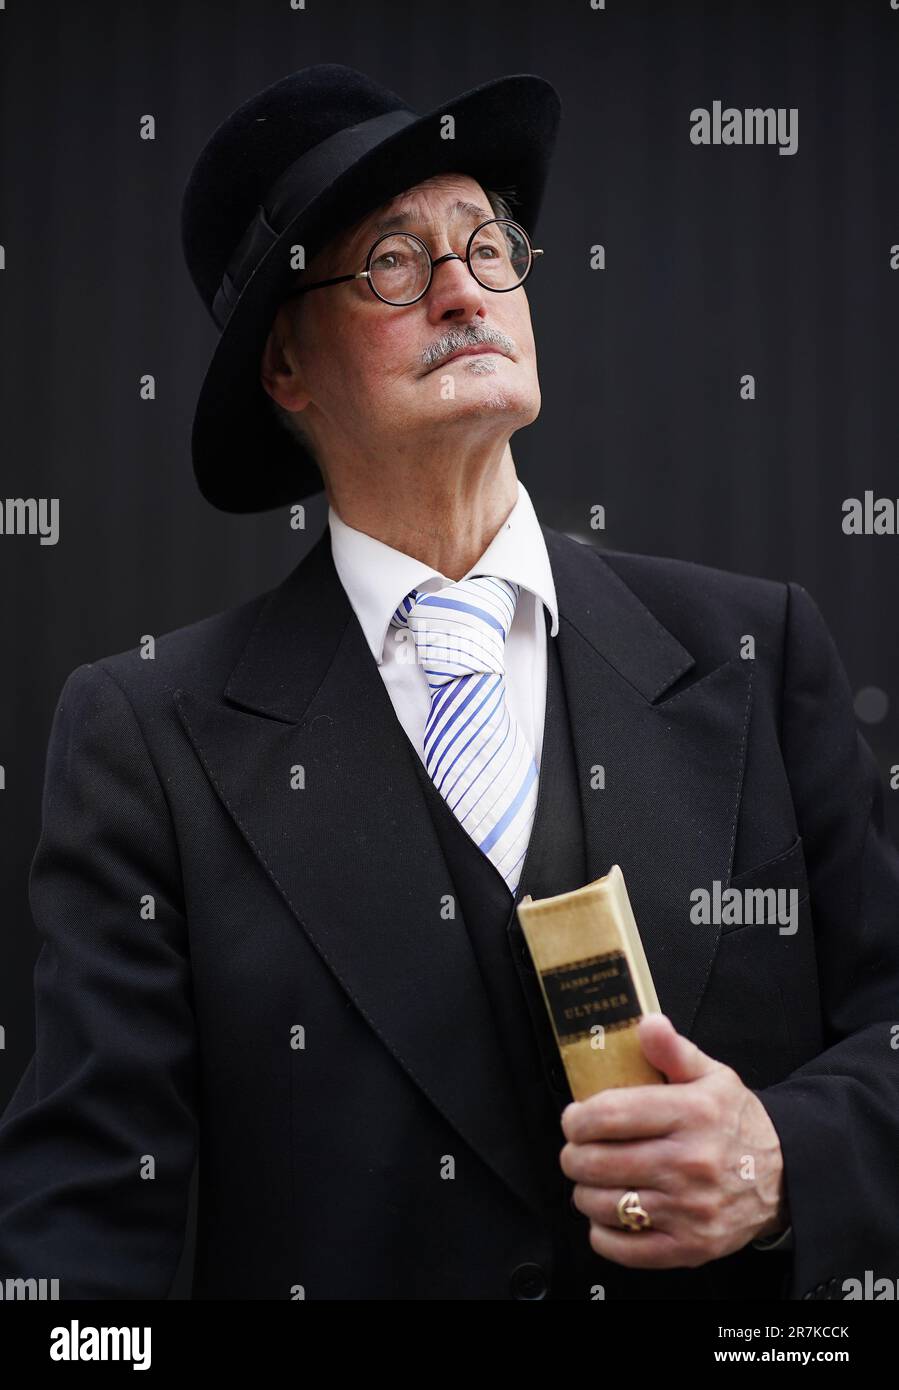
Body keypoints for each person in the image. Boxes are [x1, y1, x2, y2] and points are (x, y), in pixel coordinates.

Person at [1, 63, 897, 1301]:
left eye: (486, 244)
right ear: (285, 372)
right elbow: (90, 1224)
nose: (464, 290)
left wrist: (785, 1158)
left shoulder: (759, 648)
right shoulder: (146, 736)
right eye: (389, 264)